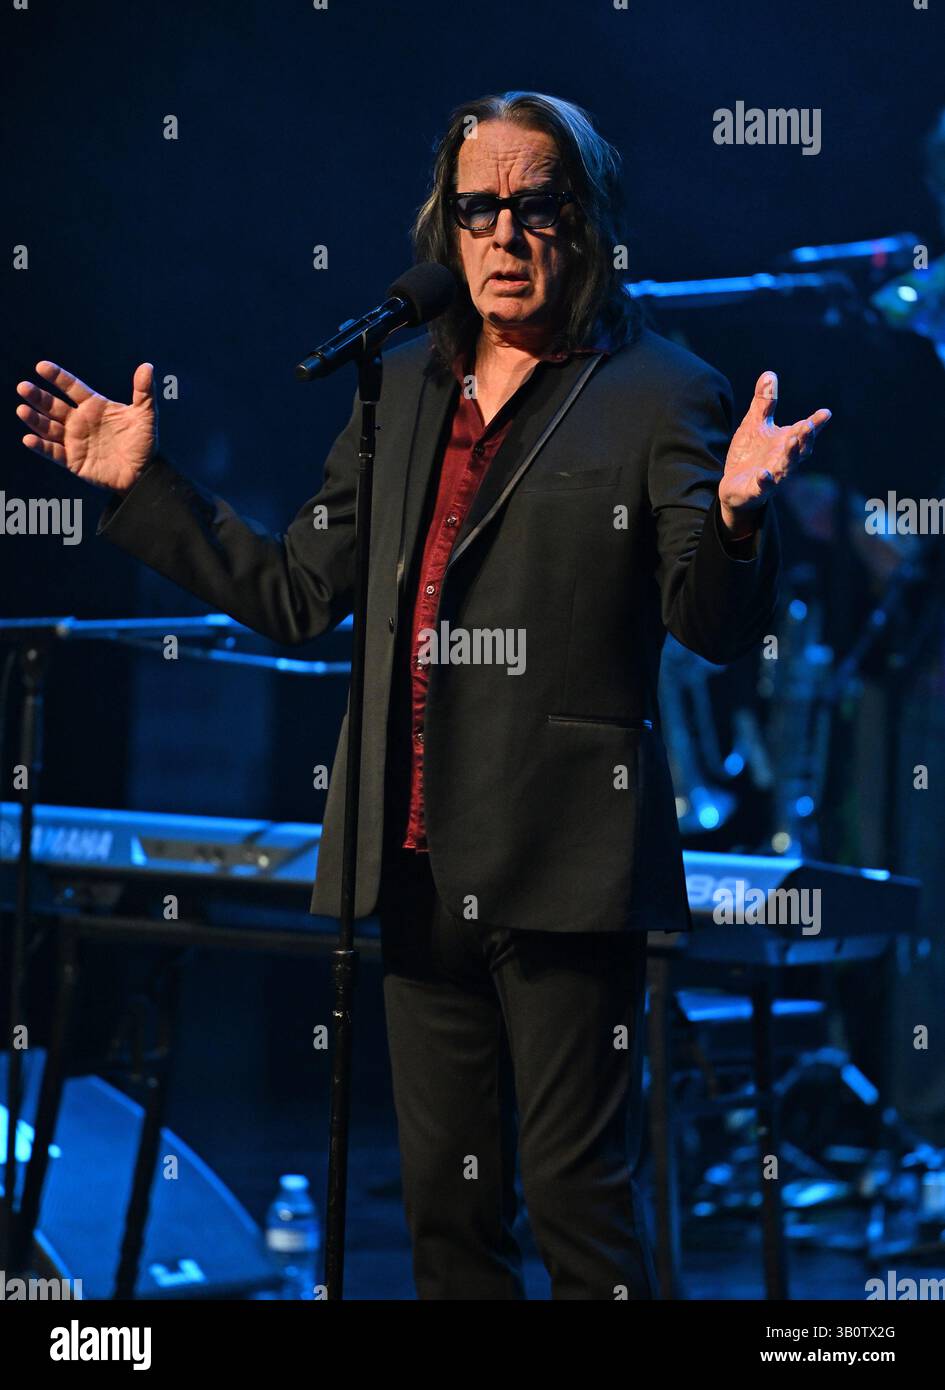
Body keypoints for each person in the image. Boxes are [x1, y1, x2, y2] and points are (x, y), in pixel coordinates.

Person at [15, 91, 830, 1299]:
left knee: (579, 1215)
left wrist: (737, 520)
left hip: (565, 860)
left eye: (535, 207)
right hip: (408, 864)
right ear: (444, 232)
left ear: (587, 222)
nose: (505, 237)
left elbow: (707, 624)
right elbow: (298, 592)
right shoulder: (398, 387)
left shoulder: (662, 391)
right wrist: (149, 489)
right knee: (449, 1226)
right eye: (478, 210)